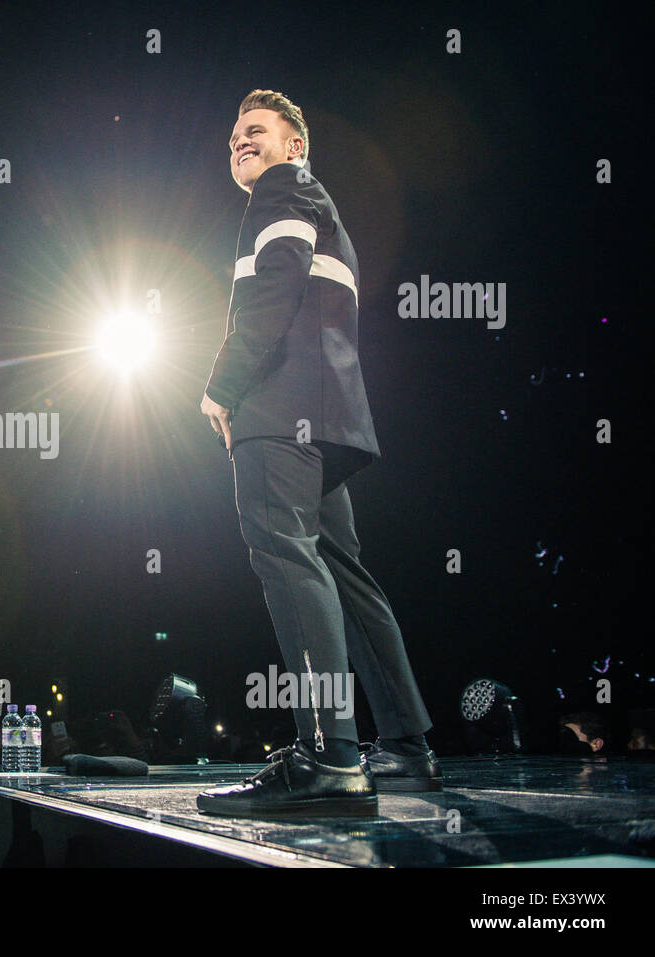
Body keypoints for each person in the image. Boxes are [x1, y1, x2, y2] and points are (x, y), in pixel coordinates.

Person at [197, 89, 438, 818]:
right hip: (324, 421)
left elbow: (277, 286)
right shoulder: (310, 196)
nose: (242, 141)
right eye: (235, 133)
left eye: (258, 131)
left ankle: (330, 754)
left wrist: (223, 388)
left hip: (278, 410)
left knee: (285, 557)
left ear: (294, 144)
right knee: (341, 570)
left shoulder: (282, 192)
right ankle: (404, 745)